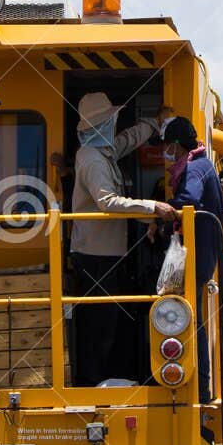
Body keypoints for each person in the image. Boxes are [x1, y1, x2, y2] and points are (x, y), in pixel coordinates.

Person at [70, 92, 176, 386]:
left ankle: (102, 378)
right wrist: (153, 208)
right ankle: (93, 382)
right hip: (96, 256)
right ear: (102, 124)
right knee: (100, 323)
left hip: (106, 252)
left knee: (109, 318)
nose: (114, 127)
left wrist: (154, 123)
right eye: (110, 122)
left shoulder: (100, 152)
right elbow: (108, 202)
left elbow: (127, 140)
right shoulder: (93, 160)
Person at [160, 116, 223, 401]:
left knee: (192, 318)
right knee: (191, 317)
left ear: (175, 145)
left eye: (167, 146)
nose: (166, 152)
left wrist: (161, 210)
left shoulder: (195, 168)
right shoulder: (202, 163)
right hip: (203, 251)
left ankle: (200, 387)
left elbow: (189, 199)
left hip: (199, 254)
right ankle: (199, 385)